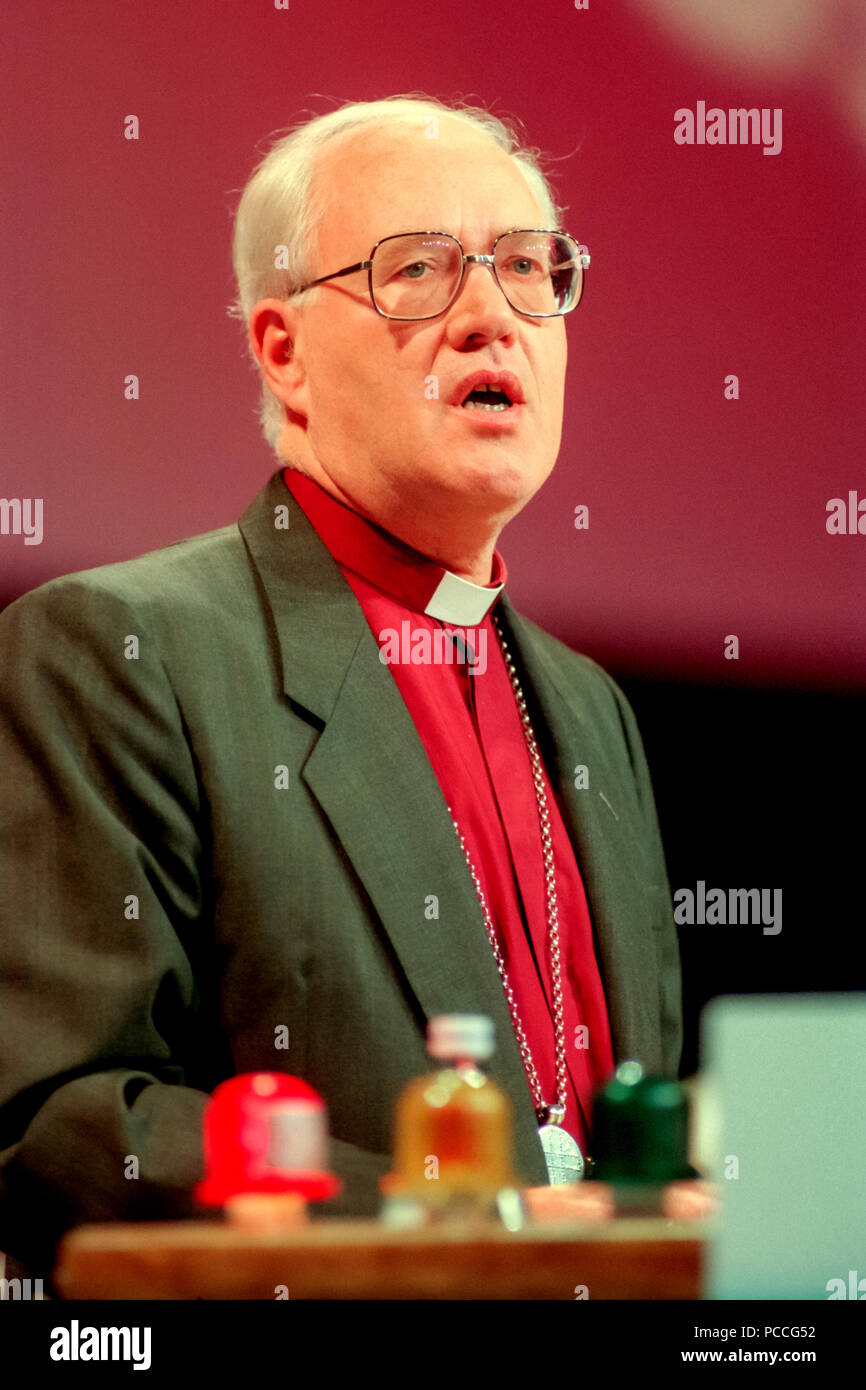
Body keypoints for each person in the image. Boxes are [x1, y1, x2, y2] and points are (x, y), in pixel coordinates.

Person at [0, 96, 683, 1279]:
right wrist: (479, 1223)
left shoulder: (587, 710)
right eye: (418, 271)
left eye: (527, 268)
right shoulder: (123, 651)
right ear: (283, 348)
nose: (490, 319)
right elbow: (69, 1116)